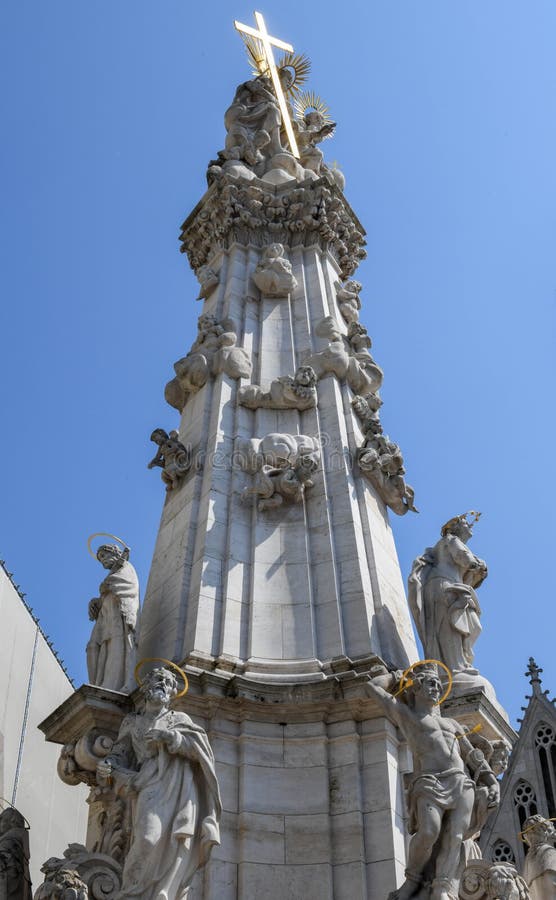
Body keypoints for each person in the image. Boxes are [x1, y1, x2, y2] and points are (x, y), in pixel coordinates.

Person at [366, 664, 499, 900]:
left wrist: (491, 780)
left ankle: (441, 887)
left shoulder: (452, 725)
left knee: (455, 837)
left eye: (438, 684)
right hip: (429, 782)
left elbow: (472, 757)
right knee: (429, 831)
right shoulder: (407, 716)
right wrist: (397, 677)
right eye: (430, 683)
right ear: (416, 688)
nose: (437, 687)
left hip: (461, 782)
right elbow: (372, 688)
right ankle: (412, 879)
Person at [97, 666, 221, 900]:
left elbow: (201, 752)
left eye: (167, 682)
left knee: (176, 839)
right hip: (147, 783)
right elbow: (118, 754)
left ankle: (163, 892)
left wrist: (171, 737)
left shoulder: (179, 719)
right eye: (157, 680)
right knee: (147, 838)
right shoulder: (132, 722)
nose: (162, 684)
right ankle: (132, 892)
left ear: (174, 691)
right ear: (145, 687)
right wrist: (107, 766)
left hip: (178, 786)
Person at [408, 514, 486, 676]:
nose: (470, 525)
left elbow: (470, 573)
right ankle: (455, 667)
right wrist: (479, 564)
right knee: (449, 627)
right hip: (444, 585)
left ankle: (458, 662)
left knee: (471, 626)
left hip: (449, 585)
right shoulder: (451, 540)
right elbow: (465, 560)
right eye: (465, 522)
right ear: (454, 528)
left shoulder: (449, 543)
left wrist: (478, 567)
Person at [86, 544, 139, 692]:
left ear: (114, 553)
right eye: (100, 558)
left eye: (104, 555)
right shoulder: (114, 572)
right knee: (92, 646)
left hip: (118, 615)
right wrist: (96, 602)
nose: (103, 560)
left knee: (116, 647)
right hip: (105, 617)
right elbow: (106, 592)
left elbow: (128, 585)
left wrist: (108, 584)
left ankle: (113, 684)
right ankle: (97, 684)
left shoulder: (125, 566)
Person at [0, 807, 32, 900]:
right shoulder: (21, 851)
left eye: (1, 819)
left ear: (10, 823)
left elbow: (3, 881)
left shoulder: (6, 846)